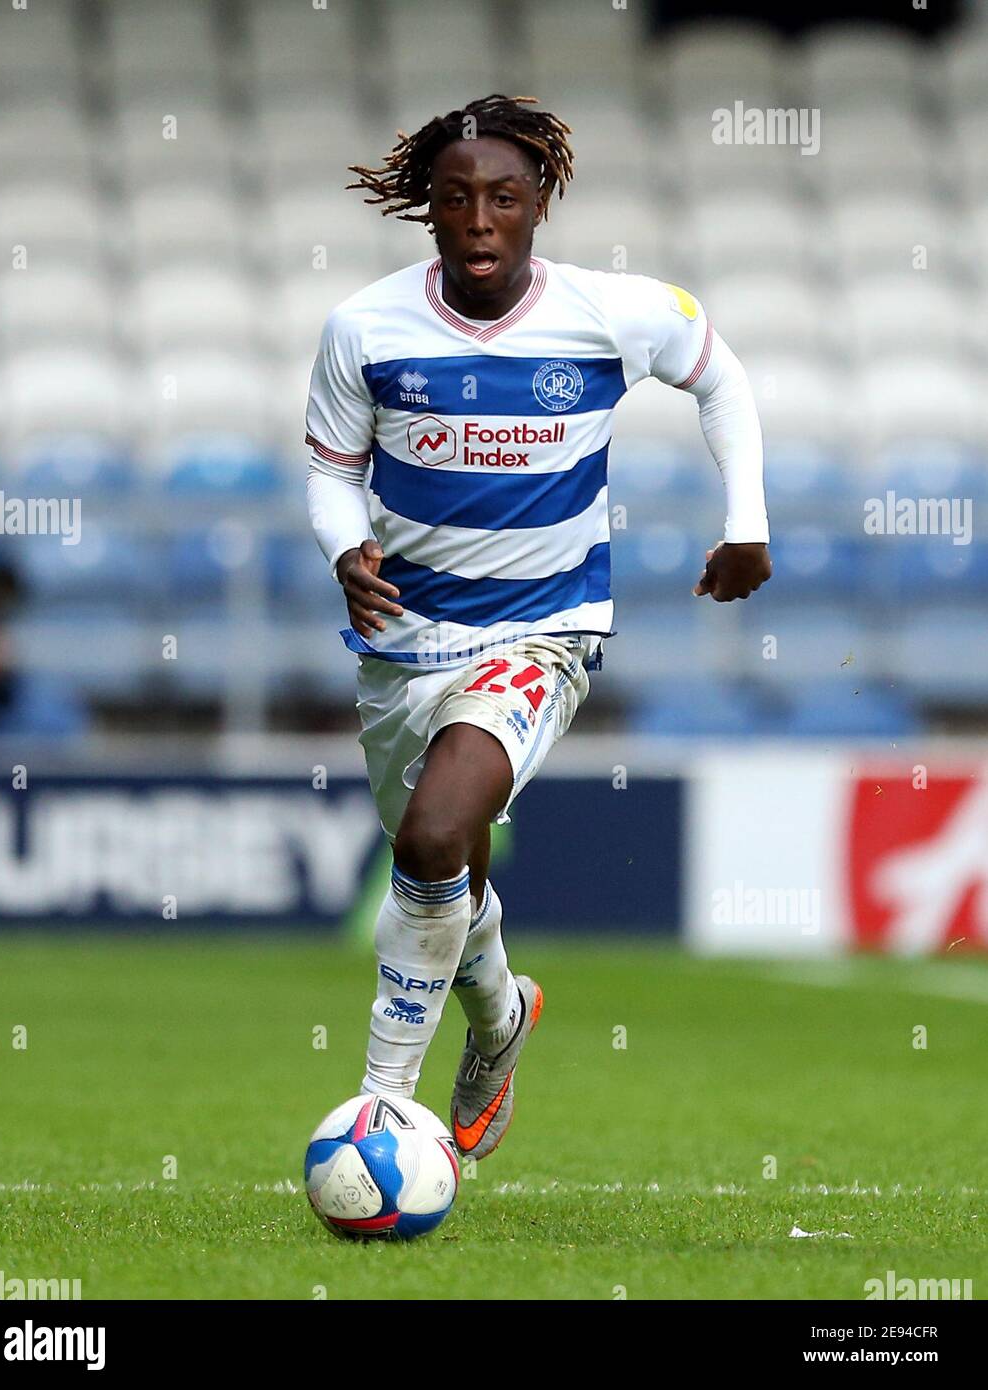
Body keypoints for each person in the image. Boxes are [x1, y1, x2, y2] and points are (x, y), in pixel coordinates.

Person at [305, 95, 771, 1159]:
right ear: (427, 208)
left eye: (503, 199)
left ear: (540, 205)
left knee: (431, 839)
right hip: (402, 644)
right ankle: (500, 1018)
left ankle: (384, 1107)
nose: (479, 220)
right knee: (443, 867)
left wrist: (743, 523)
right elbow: (330, 472)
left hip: (540, 634)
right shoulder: (364, 329)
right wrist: (344, 550)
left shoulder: (612, 312)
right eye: (457, 199)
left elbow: (720, 377)